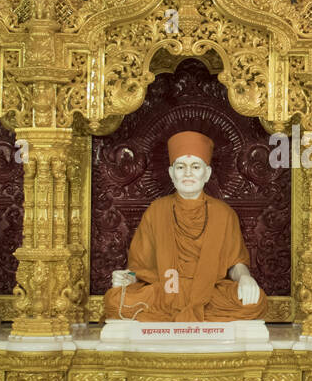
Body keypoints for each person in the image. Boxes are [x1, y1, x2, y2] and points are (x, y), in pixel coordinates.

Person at [104, 130, 266, 321]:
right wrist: (128, 277)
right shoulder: (157, 210)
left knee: (256, 302)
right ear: (172, 173)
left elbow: (234, 263)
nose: (188, 173)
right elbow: (140, 267)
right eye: (181, 167)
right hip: (165, 291)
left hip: (209, 292)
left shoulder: (223, 213)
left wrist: (245, 278)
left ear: (207, 173)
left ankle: (182, 315)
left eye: (195, 166)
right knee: (114, 301)